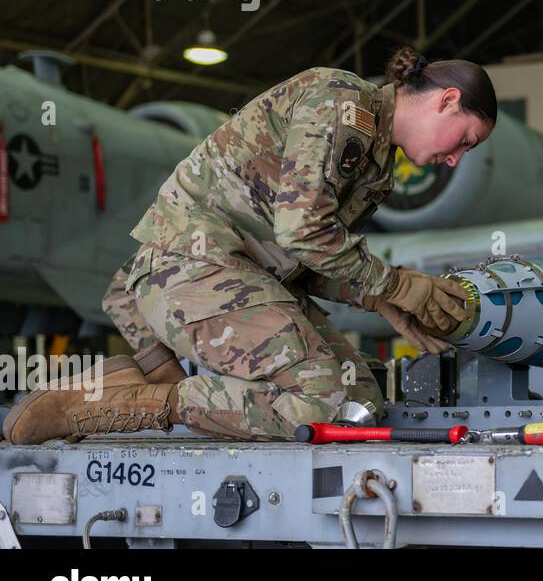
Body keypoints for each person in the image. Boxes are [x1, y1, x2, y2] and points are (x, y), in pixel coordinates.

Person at [4, 48, 496, 445]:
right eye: (465, 141)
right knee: (325, 403)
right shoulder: (341, 103)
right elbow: (302, 231)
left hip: (242, 277)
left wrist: (381, 300)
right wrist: (397, 285)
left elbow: (306, 259)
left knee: (358, 402)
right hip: (193, 268)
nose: (454, 159)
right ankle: (124, 401)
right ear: (446, 100)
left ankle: (155, 386)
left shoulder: (374, 164)